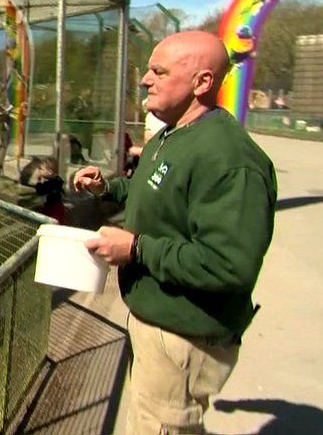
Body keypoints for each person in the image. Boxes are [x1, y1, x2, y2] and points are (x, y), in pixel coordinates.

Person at [72, 31, 277, 434]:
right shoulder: (172, 135)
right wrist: (109, 188)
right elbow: (157, 193)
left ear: (202, 82)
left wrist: (136, 248)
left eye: (158, 71)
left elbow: (229, 265)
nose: (145, 79)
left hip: (183, 337)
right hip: (156, 325)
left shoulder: (230, 159)